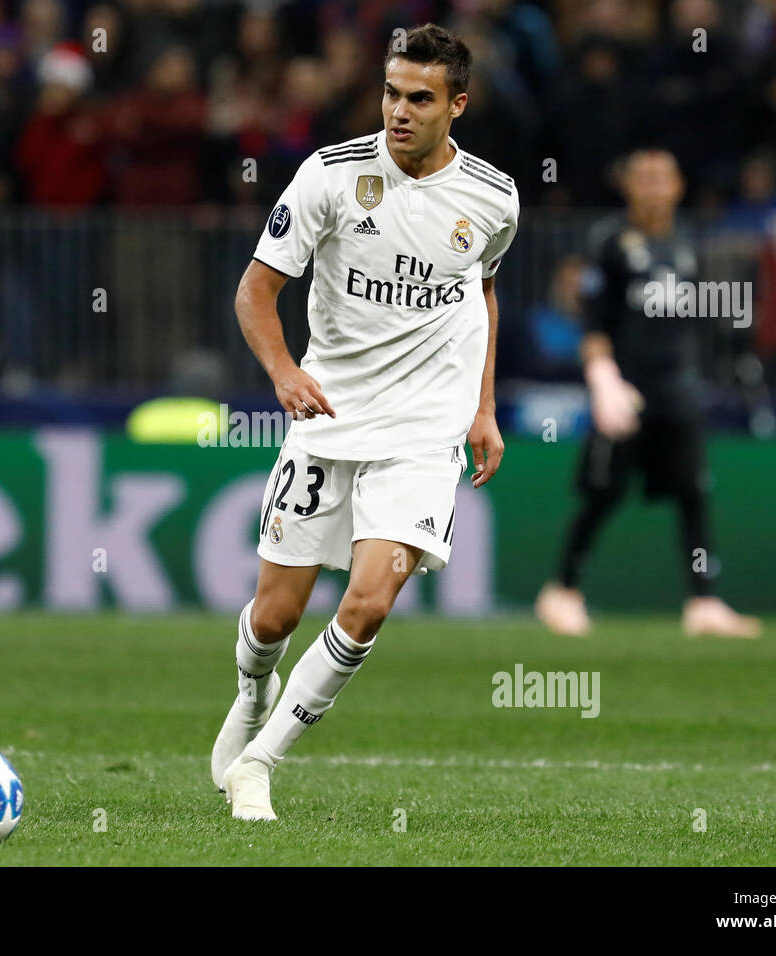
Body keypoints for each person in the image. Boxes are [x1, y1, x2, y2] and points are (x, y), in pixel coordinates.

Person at [212, 24, 519, 821]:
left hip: (425, 429)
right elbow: (254, 292)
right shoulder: (330, 176)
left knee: (369, 604)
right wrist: (285, 372)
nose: (399, 112)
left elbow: (480, 293)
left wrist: (482, 408)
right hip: (330, 416)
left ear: (458, 103)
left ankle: (259, 763)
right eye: (391, 93)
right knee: (275, 616)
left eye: (420, 98)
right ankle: (252, 691)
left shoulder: (493, 198)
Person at [535, 149, 761, 639]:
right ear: (629, 186)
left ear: (679, 186)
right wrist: (604, 381)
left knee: (694, 494)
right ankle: (562, 590)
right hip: (626, 392)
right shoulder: (610, 243)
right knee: (603, 494)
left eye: (664, 178)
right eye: (645, 178)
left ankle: (704, 602)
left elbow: (691, 324)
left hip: (678, 391)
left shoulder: (686, 244)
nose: (656, 187)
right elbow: (593, 321)